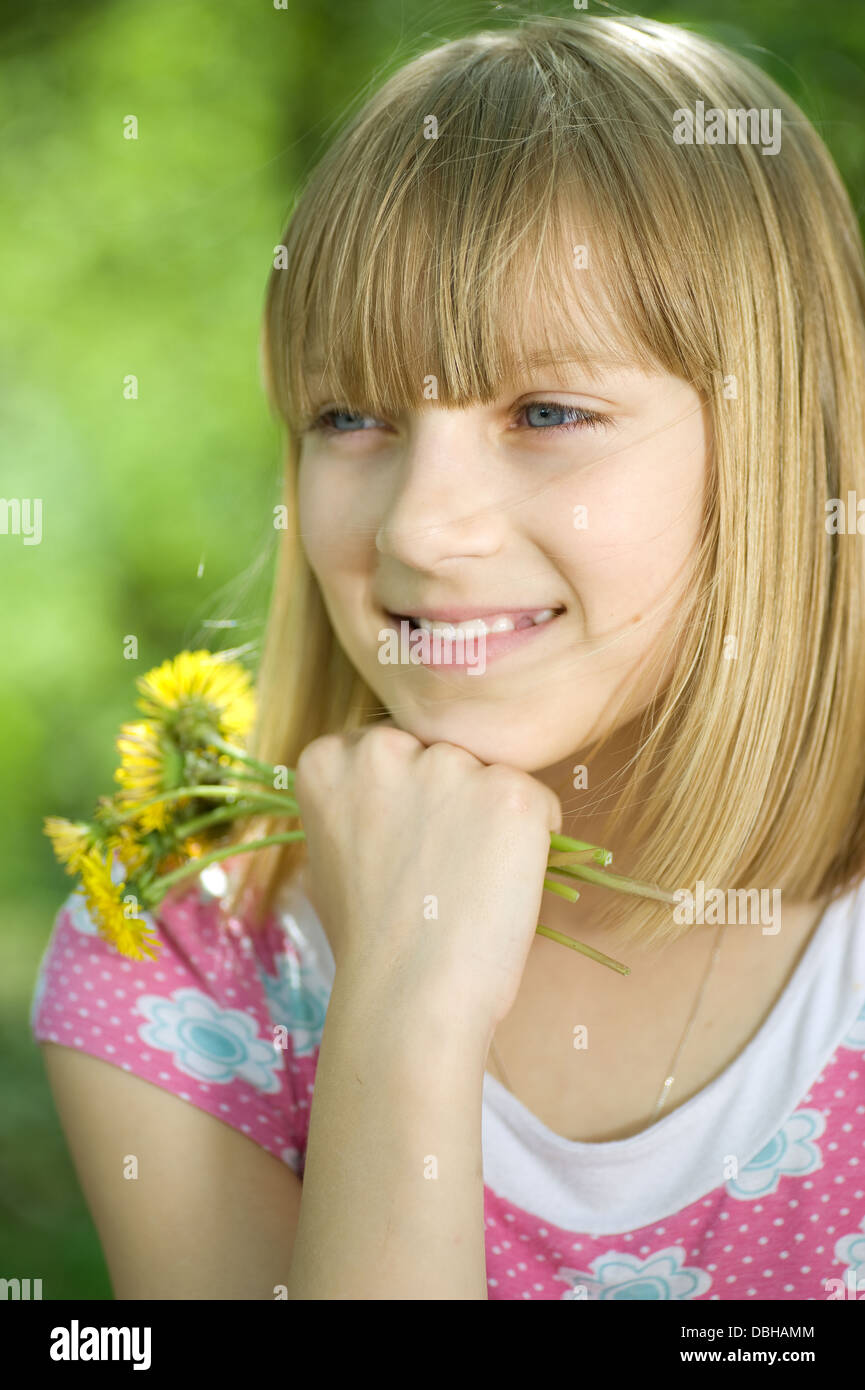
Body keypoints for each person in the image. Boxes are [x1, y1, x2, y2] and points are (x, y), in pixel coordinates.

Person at [32, 13, 865, 1300]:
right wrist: (405, 1016)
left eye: (546, 413)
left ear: (779, 450)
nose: (421, 527)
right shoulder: (179, 969)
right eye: (350, 415)